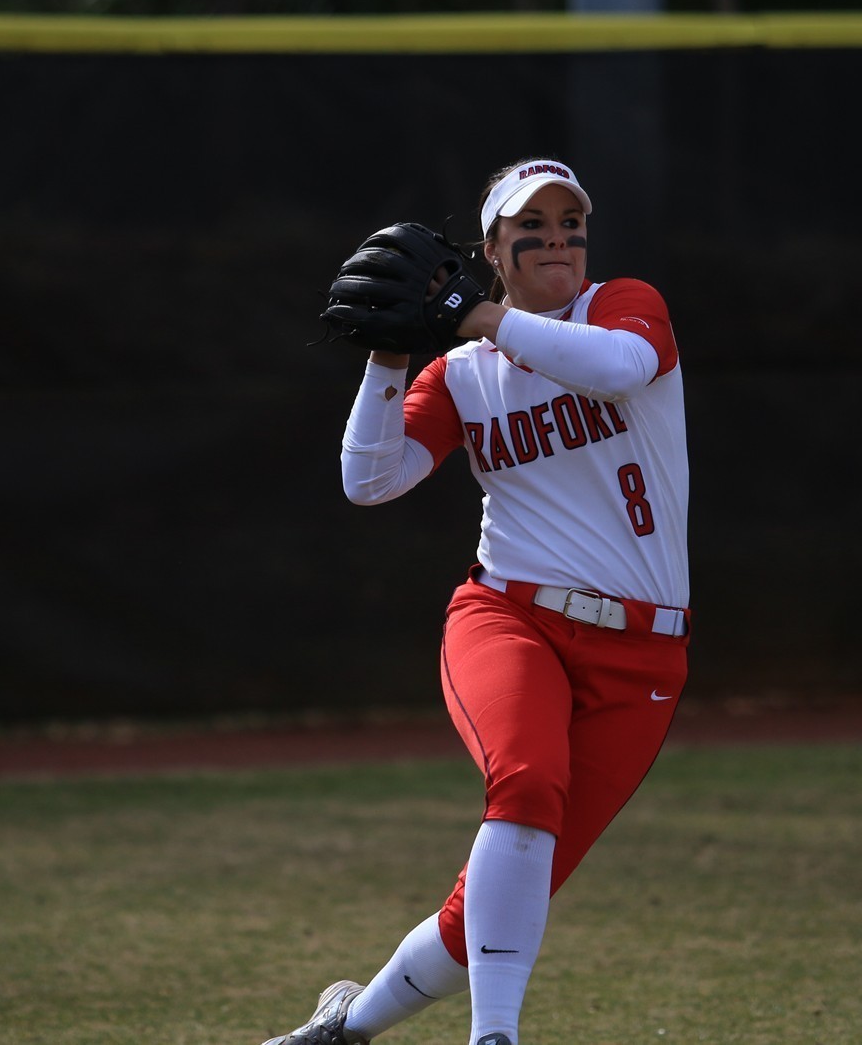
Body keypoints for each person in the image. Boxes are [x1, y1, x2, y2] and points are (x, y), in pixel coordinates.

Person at [260, 156, 692, 1045]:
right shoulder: (465, 371)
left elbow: (619, 369)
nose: (557, 239)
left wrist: (478, 312)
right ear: (492, 249)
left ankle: (344, 1028)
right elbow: (369, 480)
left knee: (499, 899)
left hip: (644, 654)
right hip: (512, 615)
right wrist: (390, 350)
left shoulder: (622, 307)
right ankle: (495, 1036)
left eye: (570, 221)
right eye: (529, 227)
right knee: (526, 784)